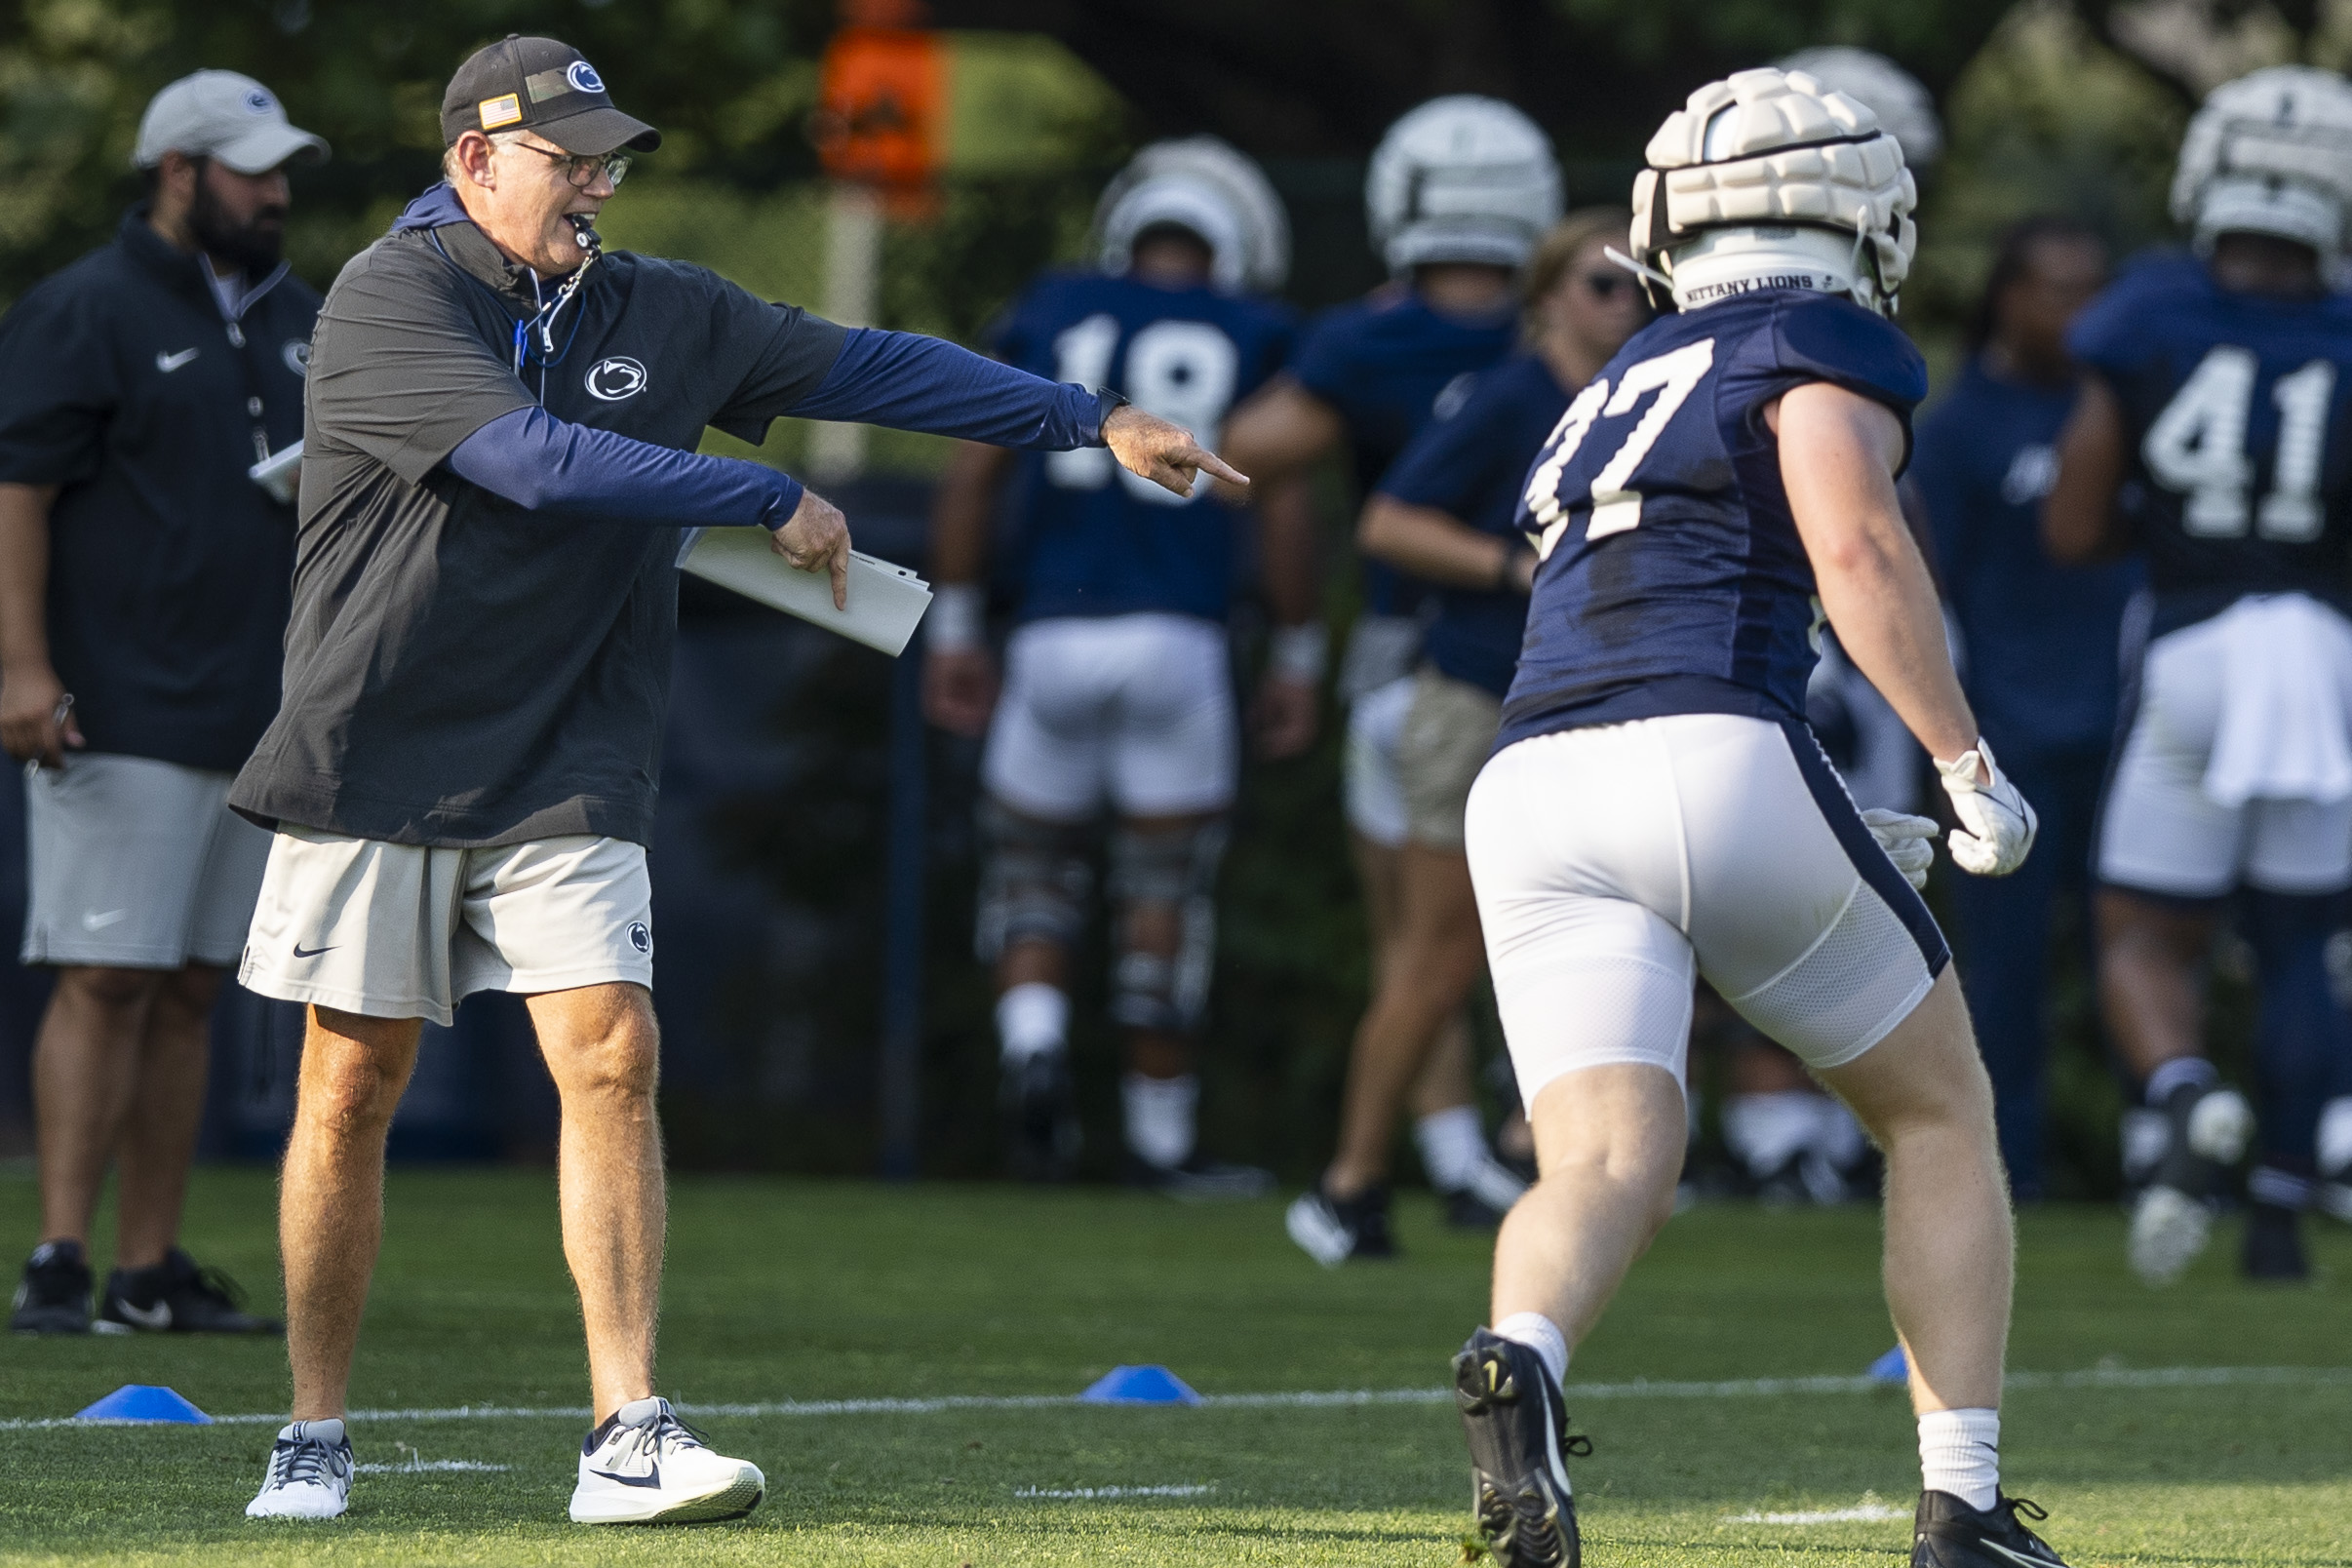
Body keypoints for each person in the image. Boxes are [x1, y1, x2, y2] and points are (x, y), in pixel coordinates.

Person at [226, 35, 1236, 1525]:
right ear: (472, 163)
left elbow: (873, 365)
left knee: (614, 1053)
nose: (596, 183)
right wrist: (765, 490)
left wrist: (1089, 420)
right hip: (378, 742)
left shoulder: (662, 306)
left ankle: (628, 1429)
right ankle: (312, 1436)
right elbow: (535, 462)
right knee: (348, 1087)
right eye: (566, 158)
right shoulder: (389, 296)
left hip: (573, 746)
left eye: (603, 158)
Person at [1451, 67, 2070, 1568]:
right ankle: (1964, 1504)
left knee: (1603, 1156)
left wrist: (1812, 817)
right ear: (1863, 215)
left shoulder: (1609, 380)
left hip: (1530, 781)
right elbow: (1850, 540)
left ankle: (1520, 1350)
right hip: (1709, 749)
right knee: (1938, 1110)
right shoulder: (1819, 336)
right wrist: (1961, 759)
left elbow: (1611, 620)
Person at [0, 71, 326, 1337]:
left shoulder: (310, 315)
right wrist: (20, 670)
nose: (277, 189)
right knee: (105, 976)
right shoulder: (82, 309)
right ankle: (59, 1261)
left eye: (280, 166)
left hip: (257, 713)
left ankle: (145, 1271)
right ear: (178, 172)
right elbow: (15, 493)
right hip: (113, 705)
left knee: (192, 985)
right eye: (251, 167)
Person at [922, 138, 1311, 1196]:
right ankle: (1158, 1140)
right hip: (1179, 640)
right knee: (1165, 896)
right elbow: (1280, 498)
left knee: (1029, 875)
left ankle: (1034, 1047)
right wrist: (1300, 647)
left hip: (1051, 631)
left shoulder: (1055, 308)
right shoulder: (1258, 331)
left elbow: (972, 475)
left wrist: (955, 627)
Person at [1224, 96, 1560, 1231]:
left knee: (1417, 943)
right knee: (1471, 936)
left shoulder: (1368, 341)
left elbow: (1242, 452)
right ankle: (1458, 1154)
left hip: (1409, 656)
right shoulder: (1562, 336)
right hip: (1536, 653)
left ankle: (1439, 1153)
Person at [1284, 208, 1644, 1264]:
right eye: (1602, 284)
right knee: (1438, 959)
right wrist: (1507, 567)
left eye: (1642, 283)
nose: (1627, 302)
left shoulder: (1635, 399)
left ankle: (1528, 1148)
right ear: (1547, 299)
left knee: (1603, 938)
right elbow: (1388, 521)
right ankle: (1347, 1183)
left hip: (1579, 708)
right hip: (1474, 701)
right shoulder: (1511, 396)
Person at [2044, 65, 2352, 1283]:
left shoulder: (2149, 314)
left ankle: (2178, 1095)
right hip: (2327, 652)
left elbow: (2071, 525)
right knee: (2303, 944)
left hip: (2195, 638)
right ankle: (2280, 1208)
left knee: (2139, 929)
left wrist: (2161, 530)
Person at [1913, 216, 2131, 1201]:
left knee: (2132, 954)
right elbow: (1926, 591)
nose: (2082, 310)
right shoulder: (1957, 429)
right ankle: (2007, 1179)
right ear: (2008, 296)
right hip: (2002, 741)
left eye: (2096, 287)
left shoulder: (2119, 410)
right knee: (2001, 981)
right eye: (2059, 287)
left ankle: (2157, 1174)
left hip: (2126, 729)